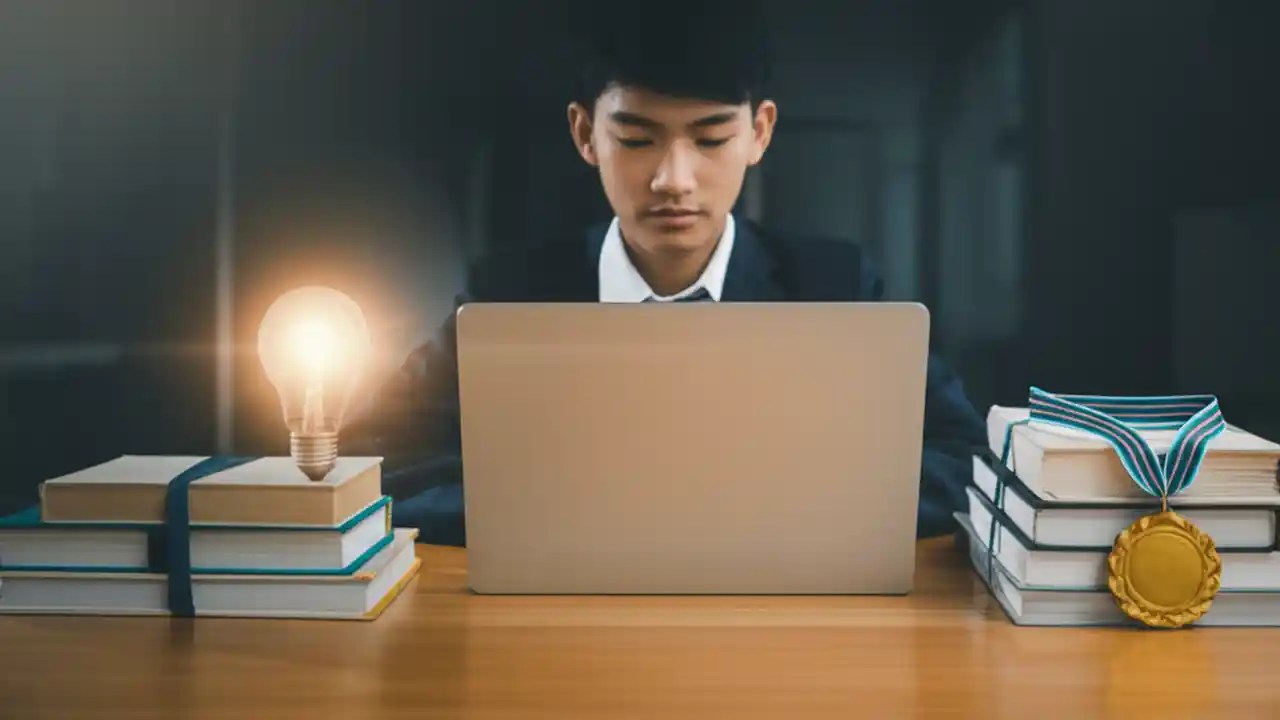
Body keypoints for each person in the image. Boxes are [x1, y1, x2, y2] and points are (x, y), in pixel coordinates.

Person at [345, 2, 986, 546]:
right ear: (584, 133)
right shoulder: (511, 293)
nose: (673, 181)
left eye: (710, 140)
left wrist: (738, 502)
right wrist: (586, 502)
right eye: (636, 138)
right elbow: (378, 460)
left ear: (759, 133)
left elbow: (965, 460)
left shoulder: (835, 284)